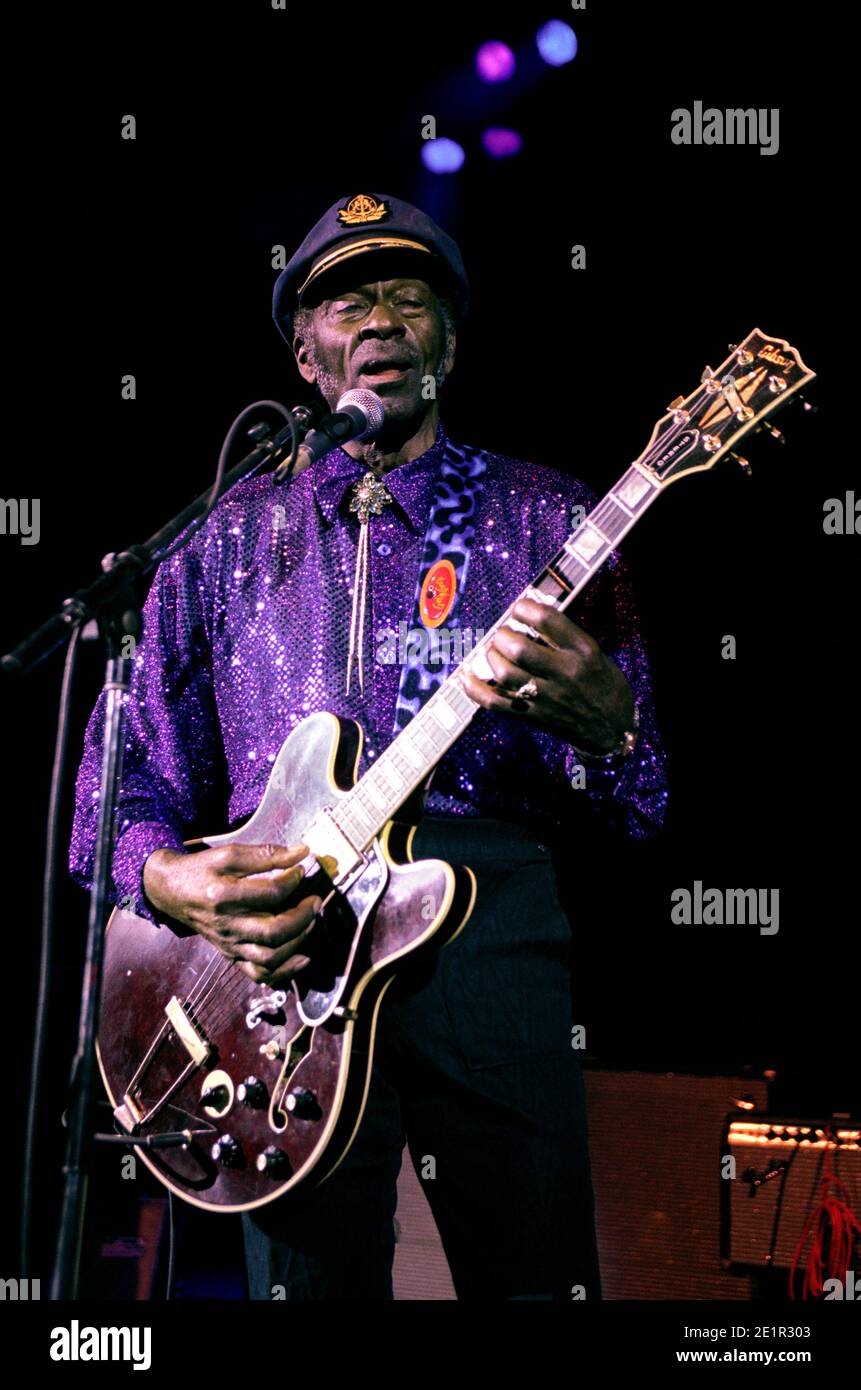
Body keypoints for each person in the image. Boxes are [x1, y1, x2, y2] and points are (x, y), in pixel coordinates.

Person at [69, 192, 669, 1300]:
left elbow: (643, 801)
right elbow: (120, 779)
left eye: (410, 294)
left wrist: (611, 729)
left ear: (451, 339)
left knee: (532, 1280)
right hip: (275, 961)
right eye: (348, 298)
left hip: (487, 932)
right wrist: (169, 879)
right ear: (306, 353)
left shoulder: (552, 521)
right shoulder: (223, 535)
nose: (382, 318)